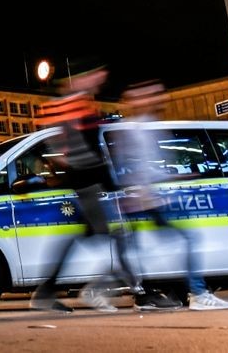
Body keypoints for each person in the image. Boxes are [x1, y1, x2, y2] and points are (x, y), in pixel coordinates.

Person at [28, 66, 146, 313]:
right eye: (96, 75)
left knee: (89, 236)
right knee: (119, 236)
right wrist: (111, 184)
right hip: (91, 186)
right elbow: (87, 153)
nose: (100, 79)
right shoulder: (77, 107)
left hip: (86, 185)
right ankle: (117, 289)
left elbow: (63, 149)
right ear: (82, 77)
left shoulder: (65, 106)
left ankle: (48, 290)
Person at [111, 82, 228, 311]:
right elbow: (131, 168)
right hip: (144, 200)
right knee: (186, 239)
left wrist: (174, 178)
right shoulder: (131, 129)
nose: (154, 100)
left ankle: (156, 293)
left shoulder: (148, 127)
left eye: (156, 95)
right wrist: (168, 181)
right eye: (146, 96)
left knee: (142, 246)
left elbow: (148, 168)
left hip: (147, 199)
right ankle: (196, 293)